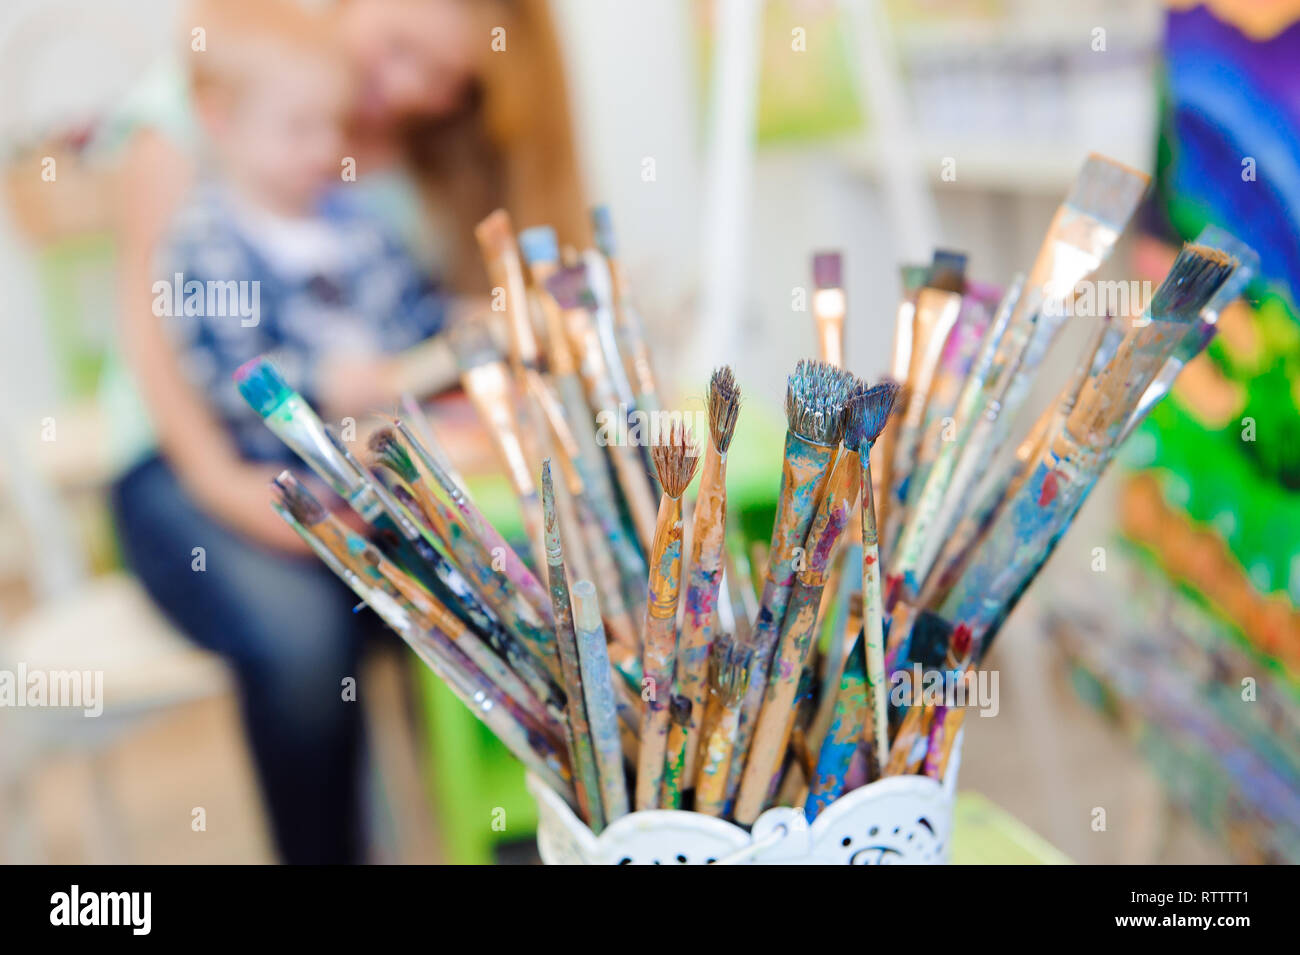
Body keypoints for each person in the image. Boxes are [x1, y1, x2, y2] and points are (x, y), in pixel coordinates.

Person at [104, 0, 587, 863]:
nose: (404, 89)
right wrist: (259, 494)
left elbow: (409, 322)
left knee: (499, 586)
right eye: (400, 49)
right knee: (304, 638)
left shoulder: (353, 206)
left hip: (350, 466)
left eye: (443, 81)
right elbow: (182, 359)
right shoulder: (214, 121)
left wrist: (464, 340)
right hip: (198, 466)